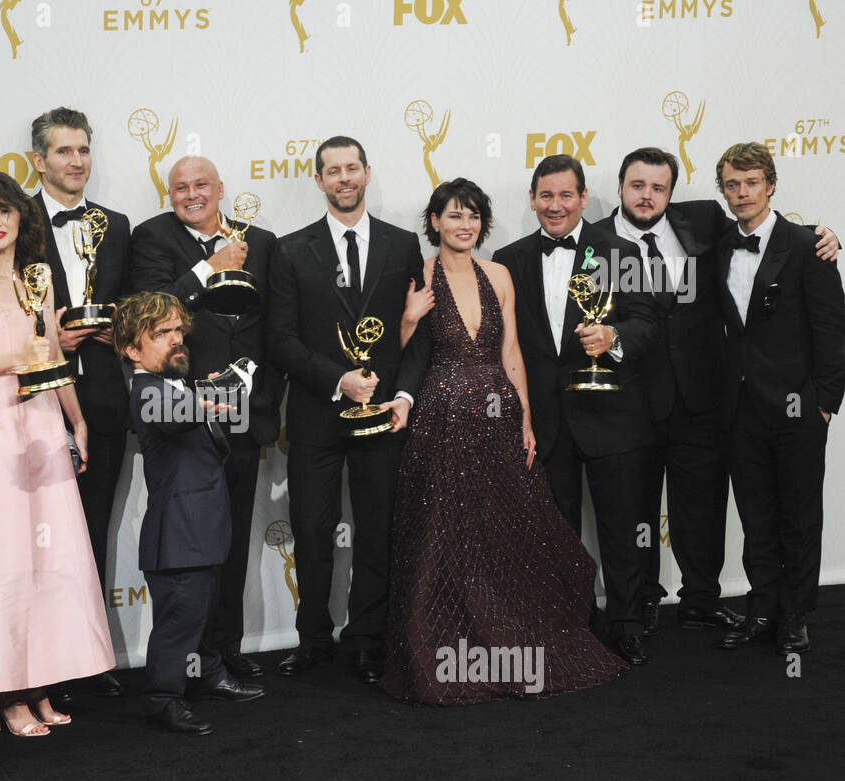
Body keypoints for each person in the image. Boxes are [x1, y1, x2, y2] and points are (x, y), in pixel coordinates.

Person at [380, 178, 626, 704]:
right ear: (435, 222)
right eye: (454, 215)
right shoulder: (417, 275)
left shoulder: (499, 274)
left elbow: (511, 351)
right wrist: (407, 318)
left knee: (507, 530)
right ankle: (447, 648)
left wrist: (526, 418)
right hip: (440, 420)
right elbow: (400, 354)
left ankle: (516, 638)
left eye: (473, 216)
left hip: (498, 418)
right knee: (445, 533)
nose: (464, 225)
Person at [597, 147, 839, 636]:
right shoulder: (595, 240)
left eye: (658, 187)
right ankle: (645, 602)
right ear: (620, 187)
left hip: (705, 399)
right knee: (639, 512)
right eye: (637, 185)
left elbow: (821, 312)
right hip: (633, 401)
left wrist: (825, 234)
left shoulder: (705, 222)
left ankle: (705, 600)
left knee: (706, 509)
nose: (647, 196)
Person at [0, 172, 115, 737]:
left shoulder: (38, 279)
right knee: (2, 558)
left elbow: (53, 358)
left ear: (21, 217)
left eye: (4, 211)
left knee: (49, 556)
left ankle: (39, 682)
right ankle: (4, 693)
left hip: (41, 420)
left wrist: (77, 420)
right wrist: (14, 357)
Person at [266, 135, 425, 684]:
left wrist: (404, 396)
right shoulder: (290, 250)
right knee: (312, 532)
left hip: (384, 415)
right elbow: (281, 339)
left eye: (352, 168)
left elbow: (418, 333)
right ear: (318, 180)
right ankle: (312, 639)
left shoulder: (402, 244)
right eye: (333, 171)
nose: (344, 179)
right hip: (316, 415)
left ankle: (367, 639)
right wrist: (339, 379)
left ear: (367, 172)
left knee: (377, 531)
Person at [492, 154, 659, 666]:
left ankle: (626, 624)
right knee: (556, 531)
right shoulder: (509, 258)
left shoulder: (620, 251)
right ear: (532, 199)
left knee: (621, 527)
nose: (556, 205)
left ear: (584, 197)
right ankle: (570, 623)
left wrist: (613, 336)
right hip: (544, 419)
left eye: (566, 195)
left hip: (612, 413)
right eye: (546, 195)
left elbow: (647, 324)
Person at [128, 155, 282, 679]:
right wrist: (209, 268)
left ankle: (225, 650)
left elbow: (275, 327)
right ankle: (190, 664)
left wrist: (264, 400)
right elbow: (149, 313)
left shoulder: (262, 242)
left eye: (201, 185)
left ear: (220, 188)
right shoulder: (152, 238)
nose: (192, 194)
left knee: (231, 544)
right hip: (184, 416)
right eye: (180, 187)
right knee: (193, 547)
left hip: (246, 417)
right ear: (169, 194)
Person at [712, 142, 845, 654]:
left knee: (799, 516)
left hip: (799, 407)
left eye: (751, 183)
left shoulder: (809, 245)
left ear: (770, 185)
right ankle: (762, 608)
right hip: (741, 407)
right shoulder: (719, 246)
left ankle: (795, 614)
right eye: (732, 184)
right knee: (756, 515)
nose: (742, 193)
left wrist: (824, 403)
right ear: (723, 191)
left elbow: (831, 329)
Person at [113, 291, 265, 734]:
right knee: (179, 620)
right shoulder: (146, 392)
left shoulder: (181, 388)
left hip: (203, 528)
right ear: (132, 350)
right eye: (161, 333)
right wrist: (213, 394)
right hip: (178, 533)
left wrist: (208, 395)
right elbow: (172, 417)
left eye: (178, 329)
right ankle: (162, 699)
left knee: (202, 613)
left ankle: (208, 674)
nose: (176, 339)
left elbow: (219, 421)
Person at [30, 107, 130, 698]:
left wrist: (118, 327)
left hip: (106, 400)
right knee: (42, 536)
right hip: (37, 400)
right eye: (63, 151)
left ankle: (90, 658)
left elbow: (135, 307)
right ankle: (46, 665)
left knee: (93, 529)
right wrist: (51, 340)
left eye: (83, 150)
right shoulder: (14, 222)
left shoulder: (116, 225)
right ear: (38, 160)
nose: (76, 161)